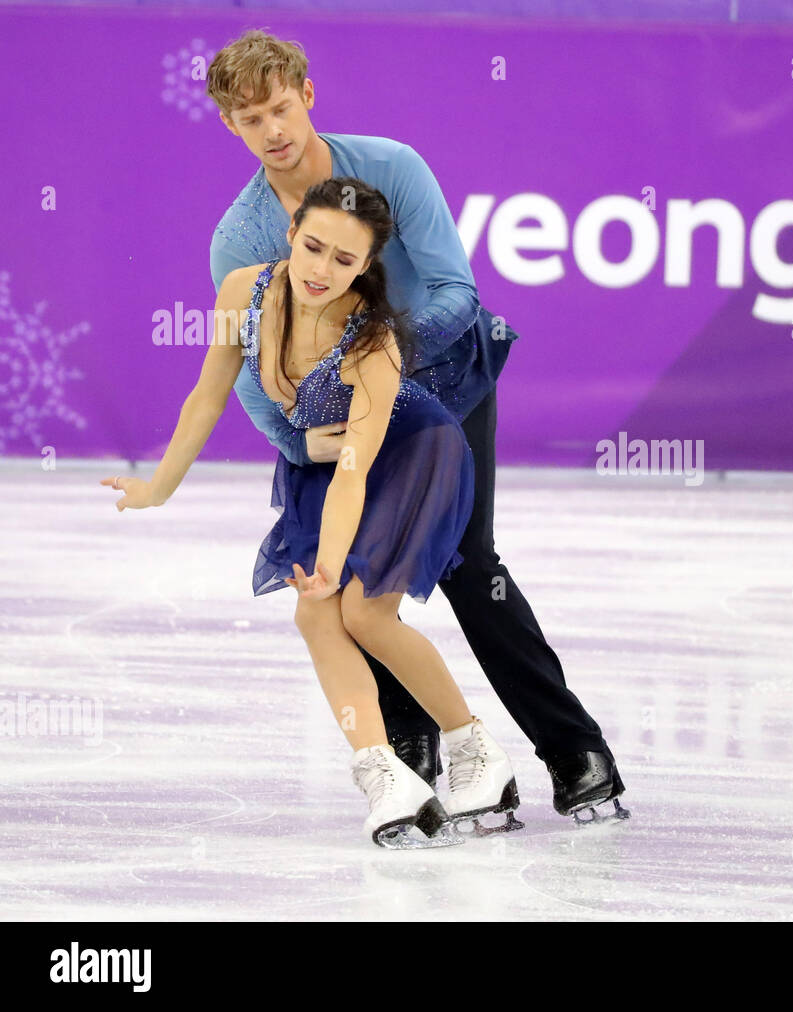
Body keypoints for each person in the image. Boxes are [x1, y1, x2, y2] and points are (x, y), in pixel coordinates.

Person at [204, 29, 628, 822]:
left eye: (282, 107)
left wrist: (383, 350)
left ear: (308, 94)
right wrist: (299, 441)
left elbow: (455, 291)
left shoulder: (392, 168)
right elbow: (254, 378)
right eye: (251, 117)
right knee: (357, 575)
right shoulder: (241, 238)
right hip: (342, 416)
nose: (274, 130)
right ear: (231, 124)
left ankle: (575, 751)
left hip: (446, 388)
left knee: (470, 565)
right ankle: (413, 751)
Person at [102, 177, 521, 848]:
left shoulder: (372, 340)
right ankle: (384, 775)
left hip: (408, 455)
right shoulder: (242, 289)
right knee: (313, 612)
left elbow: (356, 469)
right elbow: (208, 395)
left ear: (366, 267)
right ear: (293, 233)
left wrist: (329, 564)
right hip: (322, 463)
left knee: (360, 610)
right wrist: (160, 486)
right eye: (314, 247)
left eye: (345, 260)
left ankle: (476, 752)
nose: (323, 270)